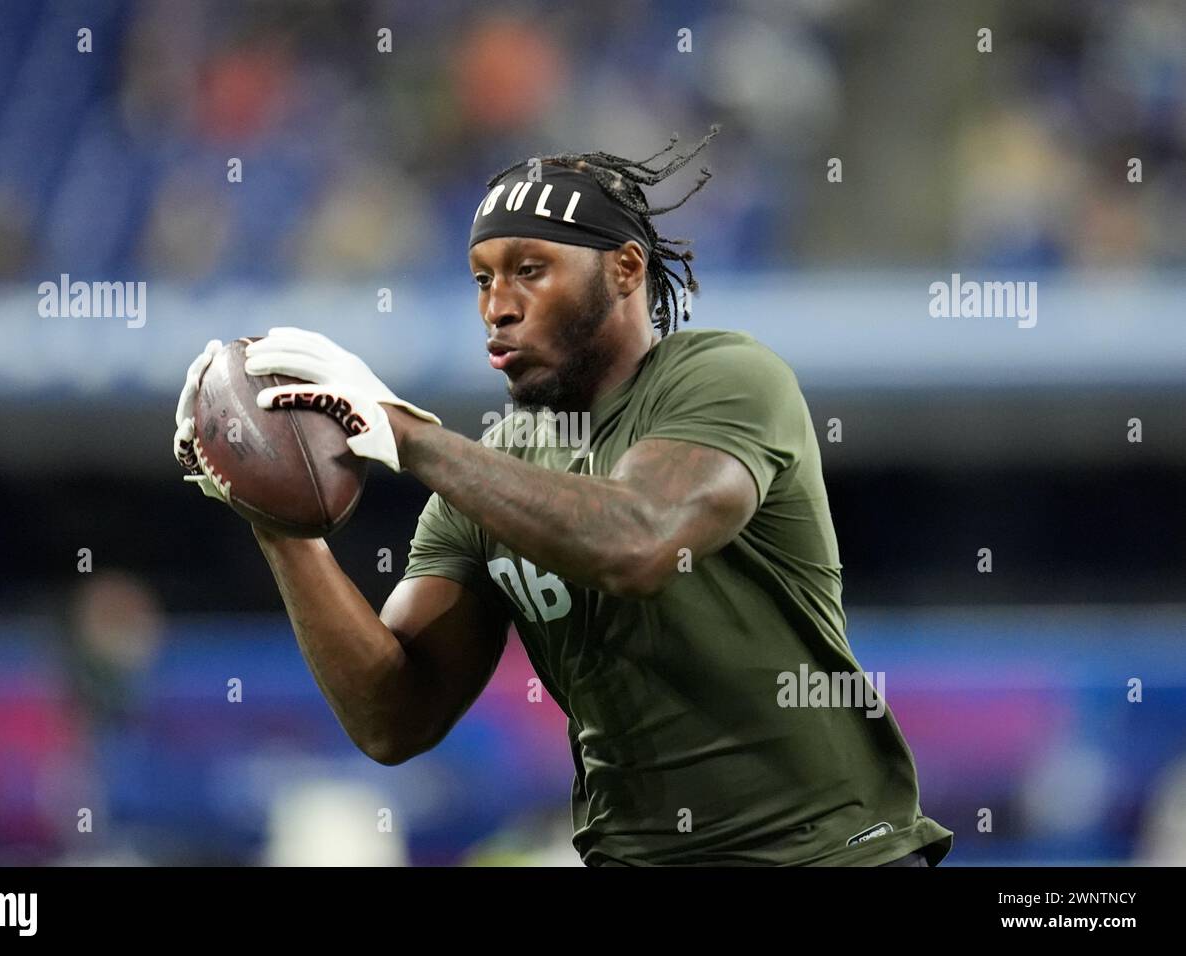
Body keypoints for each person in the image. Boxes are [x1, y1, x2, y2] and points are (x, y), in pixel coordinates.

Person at [172, 127, 953, 866]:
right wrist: (278, 524)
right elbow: (393, 716)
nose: (497, 305)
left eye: (530, 269)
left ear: (624, 269)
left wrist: (409, 438)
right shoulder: (486, 475)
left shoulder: (725, 376)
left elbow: (642, 541)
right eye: (482, 278)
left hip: (827, 855)